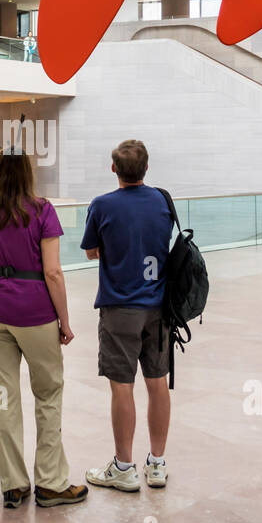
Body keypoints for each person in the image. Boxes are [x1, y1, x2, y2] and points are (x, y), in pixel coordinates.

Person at [0, 150, 86, 509]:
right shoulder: (43, 210)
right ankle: (50, 484)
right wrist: (64, 320)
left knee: (3, 396)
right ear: (27, 175)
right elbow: (53, 272)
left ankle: (13, 485)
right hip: (35, 315)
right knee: (47, 394)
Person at [80, 139, 174, 493]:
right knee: (158, 382)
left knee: (122, 387)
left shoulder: (102, 205)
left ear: (113, 169)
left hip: (120, 307)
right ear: (147, 168)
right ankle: (157, 464)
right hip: (159, 306)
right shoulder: (162, 201)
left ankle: (123, 467)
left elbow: (91, 252)